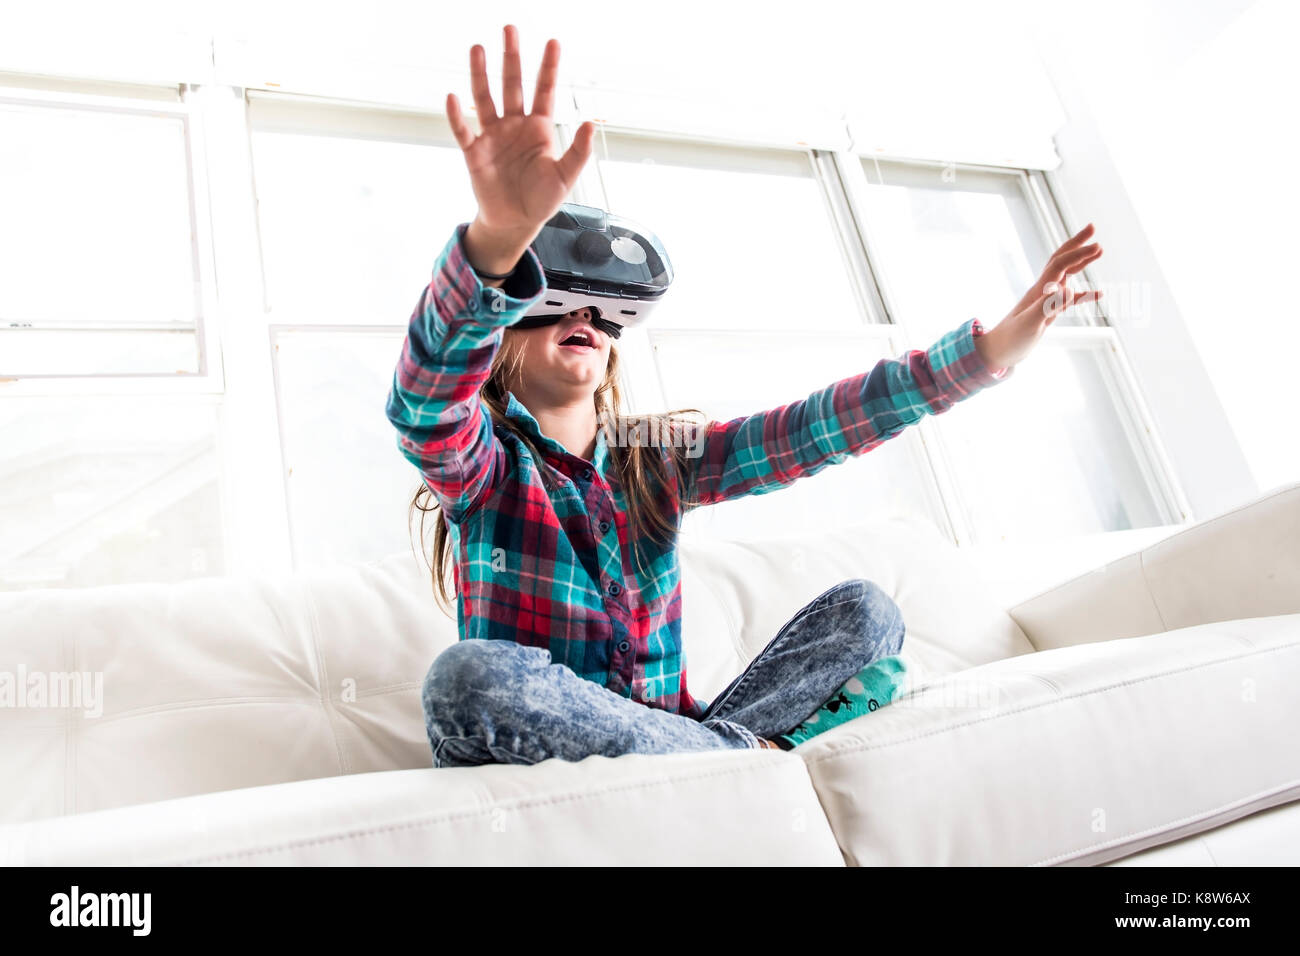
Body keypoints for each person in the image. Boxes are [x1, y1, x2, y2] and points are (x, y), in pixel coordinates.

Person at [386, 24, 1104, 768]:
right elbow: (423, 403)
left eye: (601, 315)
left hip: (674, 737)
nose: (583, 321)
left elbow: (810, 430)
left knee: (865, 611)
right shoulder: (484, 465)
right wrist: (496, 243)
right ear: (498, 346)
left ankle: (717, 755)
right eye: (555, 307)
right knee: (467, 678)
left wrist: (982, 356)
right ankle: (740, 759)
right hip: (540, 750)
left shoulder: (653, 456)